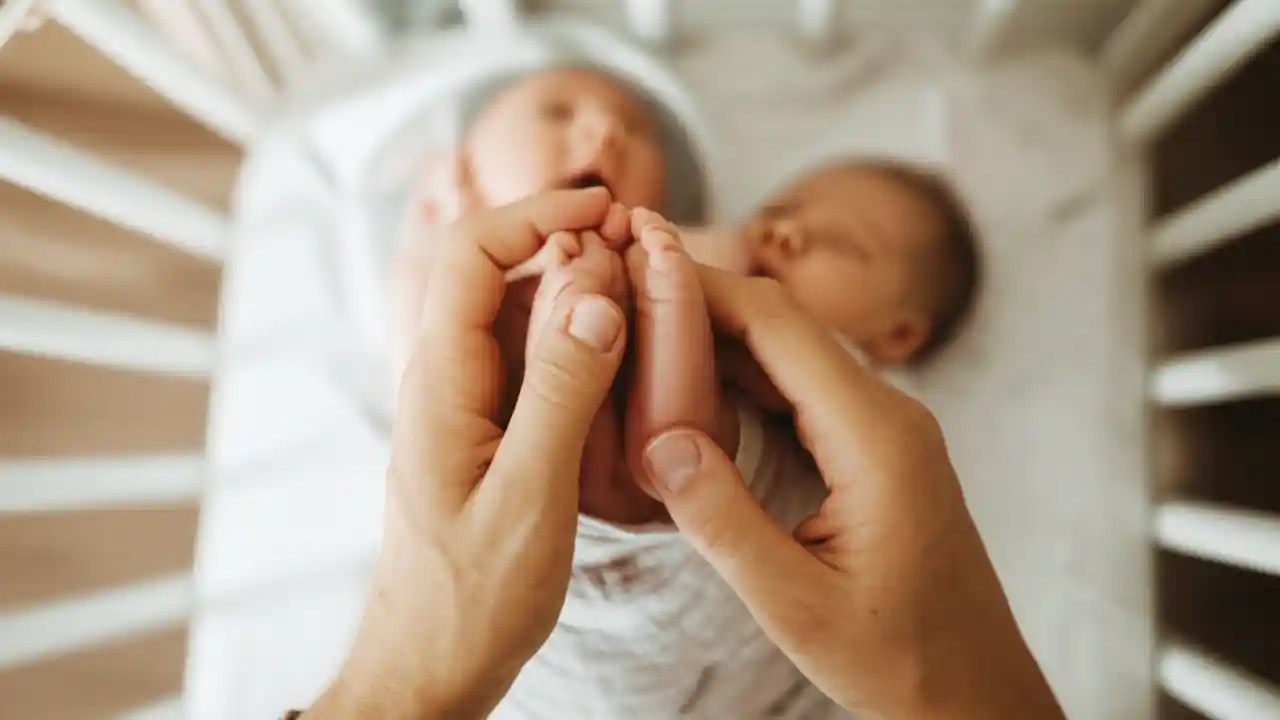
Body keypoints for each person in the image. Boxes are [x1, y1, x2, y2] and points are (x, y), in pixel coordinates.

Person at [305, 190, 1062, 718]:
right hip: (580, 587)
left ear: (898, 334)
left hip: (746, 602)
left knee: (713, 444)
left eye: (845, 243)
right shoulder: (731, 268)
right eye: (783, 208)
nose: (786, 231)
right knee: (626, 440)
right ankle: (620, 414)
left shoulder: (859, 392)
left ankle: (640, 419)